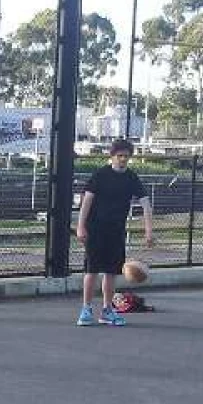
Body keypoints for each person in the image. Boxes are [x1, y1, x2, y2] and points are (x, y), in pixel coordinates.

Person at [75, 137, 153, 326]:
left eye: (126, 156)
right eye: (120, 156)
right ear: (112, 156)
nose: (123, 159)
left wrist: (148, 231)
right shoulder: (101, 175)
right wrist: (80, 226)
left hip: (116, 230)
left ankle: (107, 310)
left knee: (111, 272)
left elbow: (145, 203)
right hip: (95, 229)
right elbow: (87, 200)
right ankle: (86, 310)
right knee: (91, 270)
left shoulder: (131, 177)